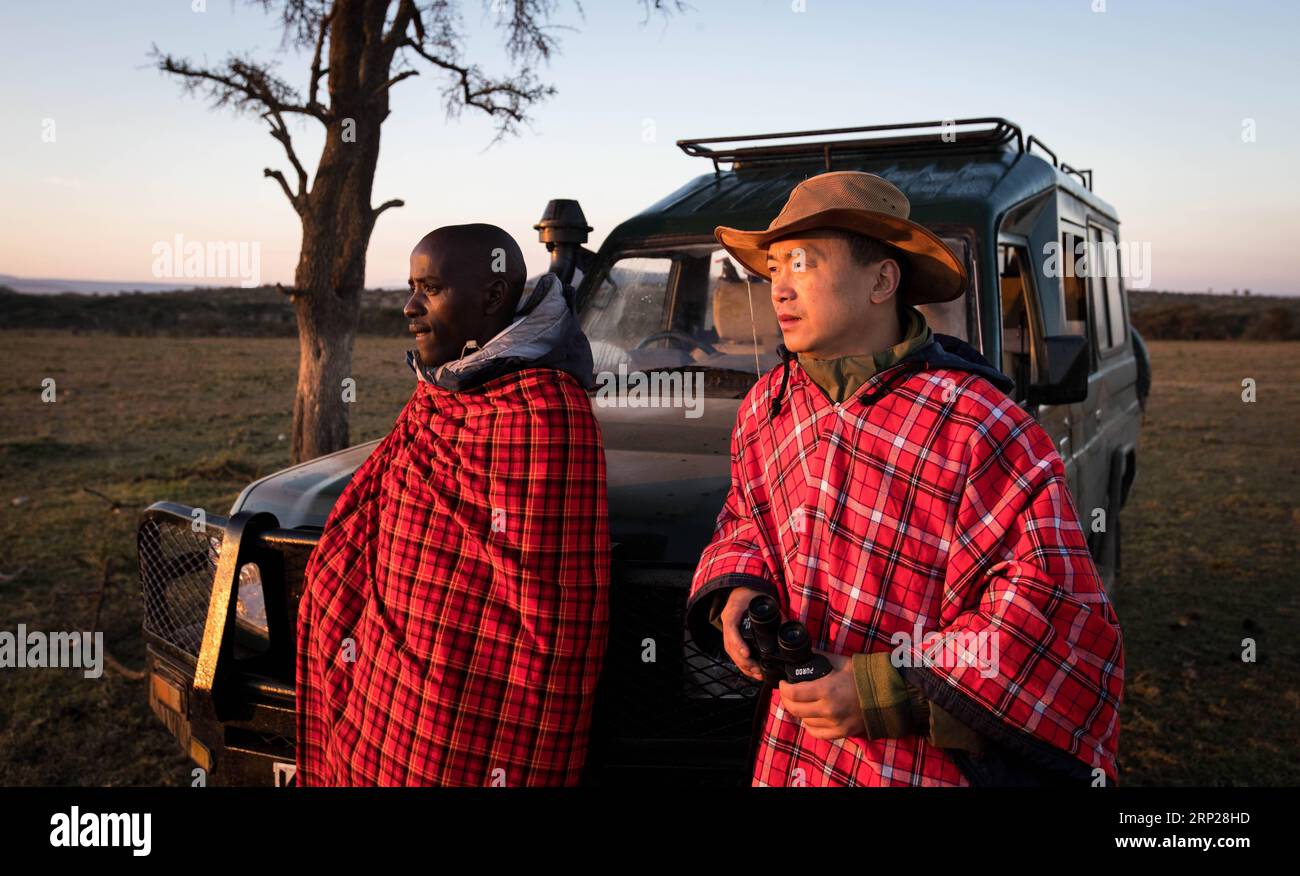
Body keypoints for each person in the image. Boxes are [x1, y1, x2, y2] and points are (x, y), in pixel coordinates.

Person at [686, 172, 1124, 786]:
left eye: (803, 262)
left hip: (916, 768)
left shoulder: (981, 425)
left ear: (882, 281)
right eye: (775, 267)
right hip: (790, 755)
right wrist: (738, 589)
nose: (778, 288)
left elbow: (1049, 612)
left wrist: (883, 690)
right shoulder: (770, 404)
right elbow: (745, 520)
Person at [296, 223, 609, 786]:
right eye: (413, 288)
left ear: (492, 298)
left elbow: (543, 608)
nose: (411, 308)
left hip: (474, 694)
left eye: (431, 289)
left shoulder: (544, 413)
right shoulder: (442, 390)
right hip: (388, 669)